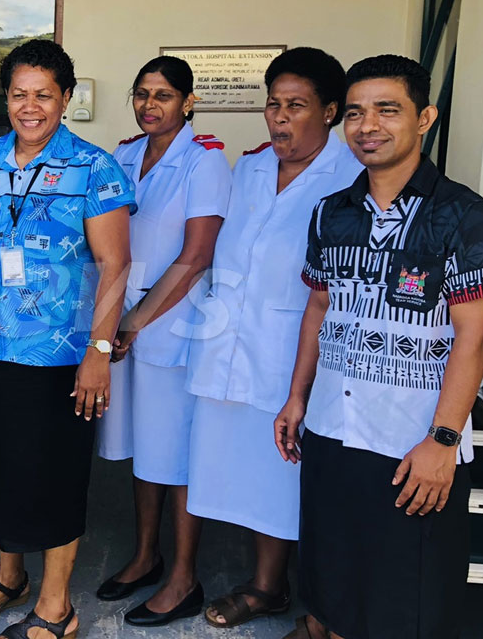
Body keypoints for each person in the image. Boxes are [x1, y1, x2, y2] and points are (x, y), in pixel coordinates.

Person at [275, 54, 483, 639]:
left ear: (425, 117)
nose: (367, 125)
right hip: (333, 426)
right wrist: (297, 399)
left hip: (412, 440)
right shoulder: (332, 212)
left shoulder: (467, 217)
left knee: (406, 598)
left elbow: (473, 338)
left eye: (387, 110)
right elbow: (319, 308)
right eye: (355, 112)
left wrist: (443, 441)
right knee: (330, 576)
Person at [0, 39, 135, 639]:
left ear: (66, 98)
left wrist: (98, 355)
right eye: (20, 94)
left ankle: (56, 607)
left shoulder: (95, 168)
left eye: (43, 94)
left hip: (58, 355)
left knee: (50, 476)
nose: (30, 106)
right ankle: (9, 578)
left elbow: (115, 266)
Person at [183, 48, 360, 628]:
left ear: (331, 112)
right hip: (227, 340)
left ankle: (276, 588)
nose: (279, 119)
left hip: (295, 349)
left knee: (282, 471)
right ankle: (259, 580)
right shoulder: (251, 167)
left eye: (297, 107)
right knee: (235, 465)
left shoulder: (354, 176)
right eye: (273, 105)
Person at [94, 55, 230, 627]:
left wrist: (132, 322)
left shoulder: (205, 162)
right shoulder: (122, 154)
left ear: (188, 102)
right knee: (140, 445)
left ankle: (184, 577)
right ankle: (146, 555)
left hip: (171, 318)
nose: (151, 105)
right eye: (142, 94)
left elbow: (196, 256)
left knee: (174, 452)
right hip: (121, 310)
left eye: (165, 95)